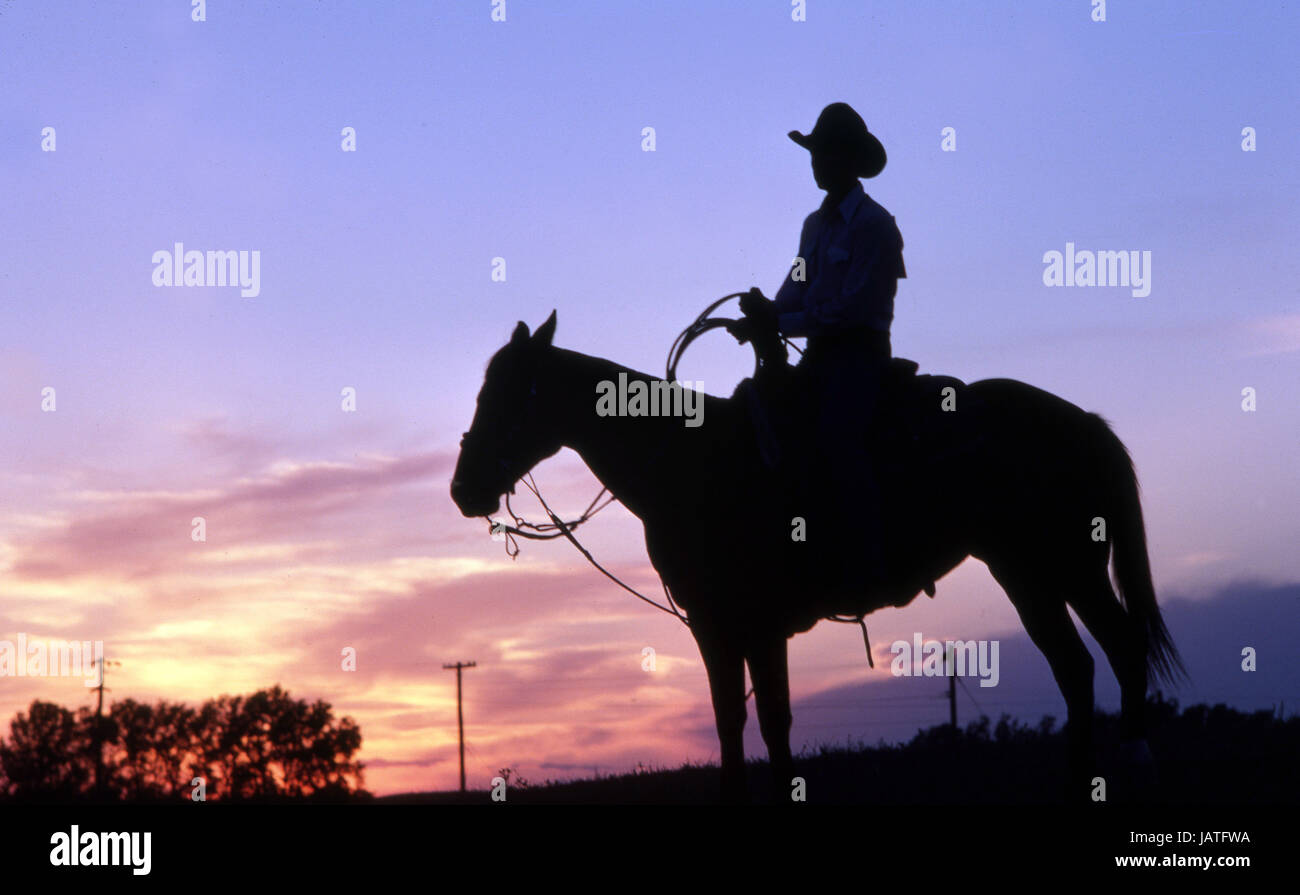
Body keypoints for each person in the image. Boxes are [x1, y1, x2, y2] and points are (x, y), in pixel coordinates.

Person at [730, 102, 906, 588]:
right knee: (762, 418)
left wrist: (784, 320)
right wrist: (765, 314)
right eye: (813, 153)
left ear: (847, 159)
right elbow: (797, 284)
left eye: (823, 152)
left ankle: (868, 558)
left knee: (837, 437)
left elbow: (851, 310)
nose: (815, 161)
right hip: (823, 356)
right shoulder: (814, 226)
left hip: (859, 356)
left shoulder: (875, 226)